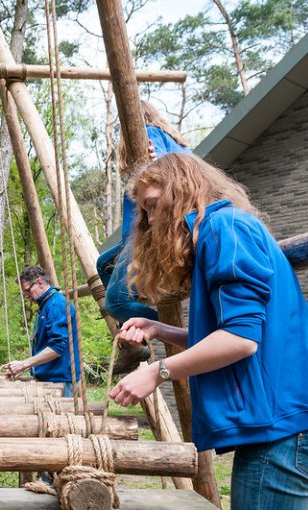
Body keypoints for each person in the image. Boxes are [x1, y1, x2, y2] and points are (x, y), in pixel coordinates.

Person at [110, 153, 308, 510]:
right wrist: (160, 328)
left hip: (282, 426)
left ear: (181, 191)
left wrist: (157, 372)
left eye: (154, 205)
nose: (151, 219)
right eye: (144, 212)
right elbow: (230, 334)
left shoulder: (225, 228)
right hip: (280, 423)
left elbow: (240, 340)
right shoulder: (222, 231)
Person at [97, 100, 191, 373]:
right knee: (104, 263)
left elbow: (167, 170)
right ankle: (132, 341)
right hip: (134, 236)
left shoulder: (148, 135)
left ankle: (166, 329)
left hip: (147, 236)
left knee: (115, 301)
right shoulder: (169, 140)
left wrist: (154, 158)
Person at [2, 266, 81, 397]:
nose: (26, 296)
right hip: (51, 380)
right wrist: (25, 367)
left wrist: (23, 364)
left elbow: (57, 347)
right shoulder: (47, 305)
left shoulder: (56, 304)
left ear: (39, 282)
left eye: (27, 290)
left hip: (61, 382)